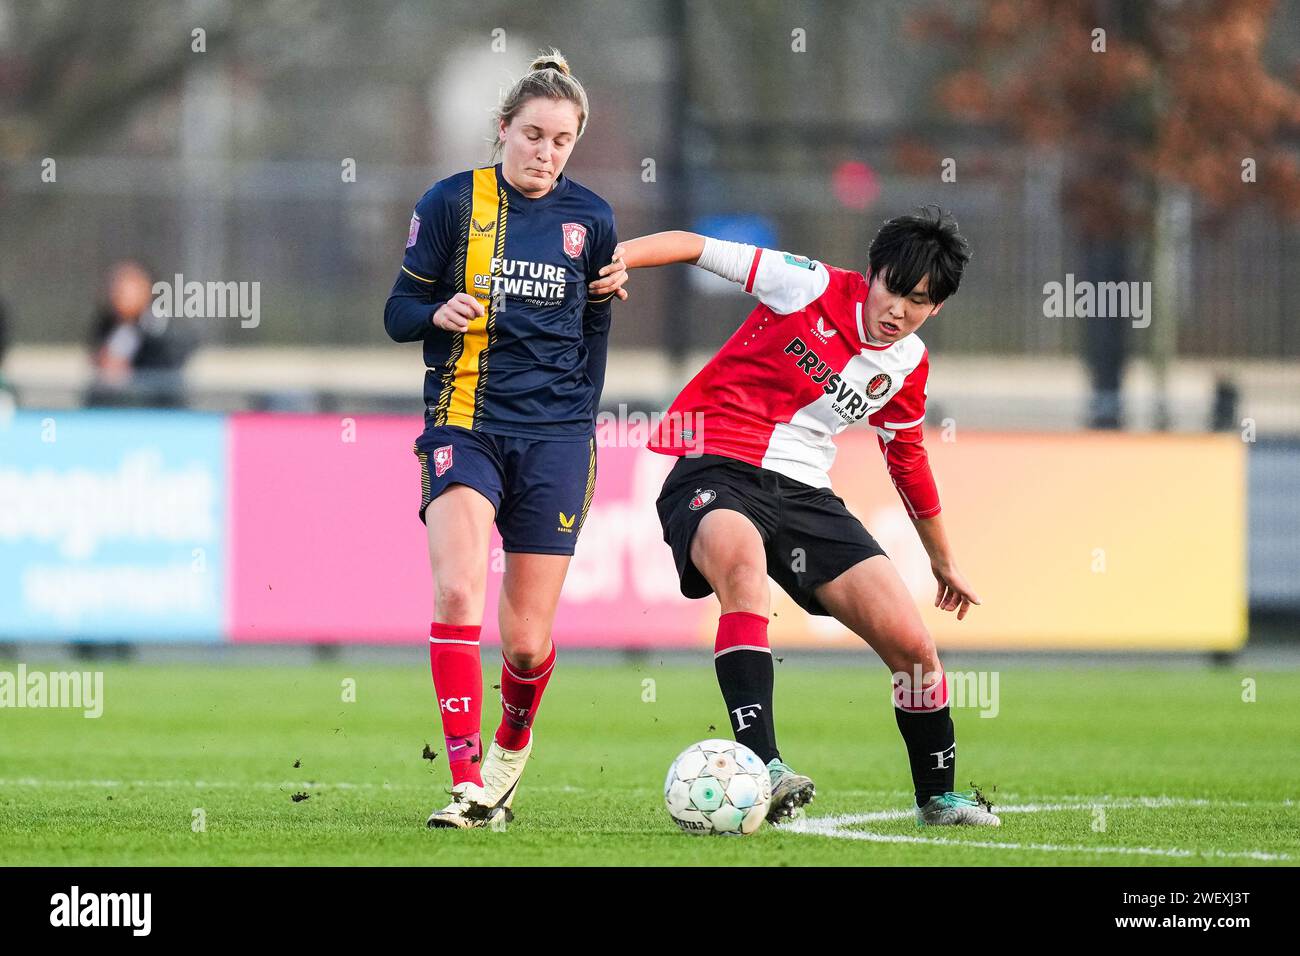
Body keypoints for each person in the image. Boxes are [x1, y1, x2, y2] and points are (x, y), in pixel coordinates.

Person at [604, 207, 1000, 826]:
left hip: (805, 493)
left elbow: (908, 461)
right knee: (745, 577)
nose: (898, 309)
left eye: (918, 301)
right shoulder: (807, 284)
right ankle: (765, 766)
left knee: (915, 647)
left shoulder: (907, 365)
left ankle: (939, 797)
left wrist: (942, 560)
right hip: (715, 463)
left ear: (936, 308)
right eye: (893, 288)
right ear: (872, 274)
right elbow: (691, 244)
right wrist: (616, 260)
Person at [384, 50, 628, 829]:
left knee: (525, 643)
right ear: (502, 130)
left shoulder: (592, 221)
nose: (545, 153)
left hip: (556, 438)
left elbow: (594, 338)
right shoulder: (452, 203)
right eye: (533, 135)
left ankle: (510, 749)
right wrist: (436, 312)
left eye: (561, 141)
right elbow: (397, 312)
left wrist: (577, 427)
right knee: (458, 591)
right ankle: (467, 781)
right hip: (464, 421)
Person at [87, 260, 194, 407]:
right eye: (116, 288)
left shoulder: (161, 328)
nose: (118, 295)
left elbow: (165, 372)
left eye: (126, 289)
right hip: (112, 409)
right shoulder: (106, 325)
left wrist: (128, 370)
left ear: (146, 290)